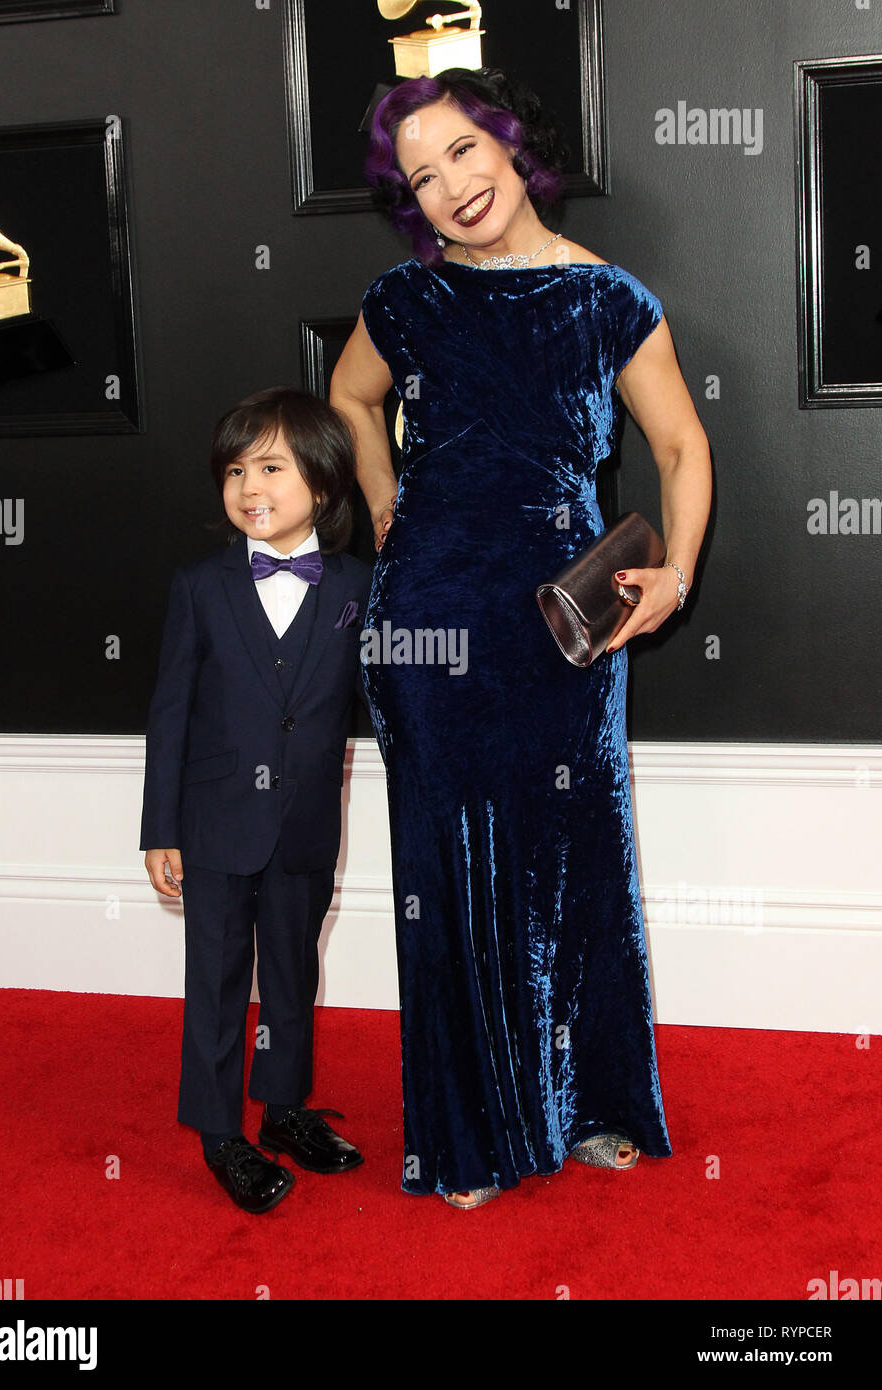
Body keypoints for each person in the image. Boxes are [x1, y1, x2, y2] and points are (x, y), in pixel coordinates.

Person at [329, 68, 712, 1209]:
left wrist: (676, 574)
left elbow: (683, 450)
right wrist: (389, 499)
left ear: (510, 142)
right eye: (422, 176)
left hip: (565, 622)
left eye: (462, 152)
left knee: (581, 846)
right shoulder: (403, 300)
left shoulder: (610, 301)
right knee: (449, 868)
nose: (450, 186)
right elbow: (351, 399)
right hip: (427, 624)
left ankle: (592, 1104)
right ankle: (474, 1134)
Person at [140, 386, 373, 1214]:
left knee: (290, 974)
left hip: (306, 825)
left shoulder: (356, 587)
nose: (249, 486)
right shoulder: (200, 587)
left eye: (271, 466)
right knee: (214, 981)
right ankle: (218, 1135)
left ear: (324, 481)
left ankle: (282, 1111)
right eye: (235, 469)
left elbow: (386, 695)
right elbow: (168, 712)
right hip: (211, 825)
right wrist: (158, 826)